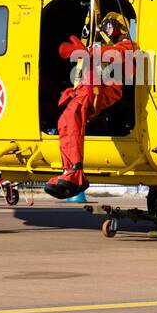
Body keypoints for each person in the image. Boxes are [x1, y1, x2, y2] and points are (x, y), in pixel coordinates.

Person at [45, 11, 136, 199]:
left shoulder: (128, 47)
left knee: (72, 115)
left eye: (110, 26)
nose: (106, 30)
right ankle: (69, 170)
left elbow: (117, 56)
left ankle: (75, 172)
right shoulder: (100, 51)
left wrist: (89, 52)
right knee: (65, 121)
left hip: (103, 92)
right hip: (91, 89)